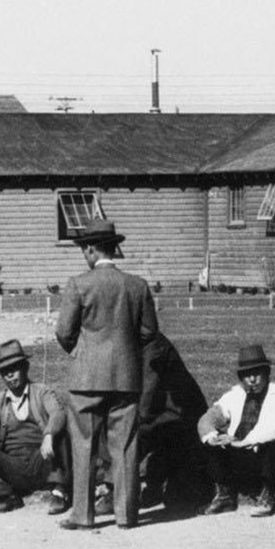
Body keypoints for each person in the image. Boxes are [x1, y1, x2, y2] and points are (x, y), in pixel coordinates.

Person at [53, 214, 158, 531]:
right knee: (125, 446)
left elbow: (63, 331)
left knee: (84, 444)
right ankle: (127, 515)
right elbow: (149, 331)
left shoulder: (78, 284)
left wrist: (79, 351)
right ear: (113, 248)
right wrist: (127, 350)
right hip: (126, 377)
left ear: (90, 250)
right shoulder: (137, 286)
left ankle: (83, 514)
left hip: (86, 378)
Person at [0, 339, 74, 514]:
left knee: (61, 433)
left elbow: (58, 413)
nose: (10, 376)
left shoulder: (42, 392)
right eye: (5, 372)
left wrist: (49, 434)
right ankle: (6, 495)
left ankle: (60, 491)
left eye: (14, 369)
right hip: (13, 466)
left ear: (25, 368)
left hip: (42, 461)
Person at [198, 343, 275, 516]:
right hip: (244, 460)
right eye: (247, 375)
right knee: (211, 441)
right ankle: (225, 495)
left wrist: (240, 442)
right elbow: (209, 418)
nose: (252, 379)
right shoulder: (235, 394)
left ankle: (268, 495)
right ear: (241, 377)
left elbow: (273, 427)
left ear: (267, 373)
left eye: (257, 373)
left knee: (274, 443)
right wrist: (212, 436)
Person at [135, 333, 210, 515]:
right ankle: (147, 486)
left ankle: (123, 488)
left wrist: (129, 422)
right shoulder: (136, 341)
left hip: (182, 415)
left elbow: (147, 397)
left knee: (179, 501)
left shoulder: (152, 345)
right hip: (164, 415)